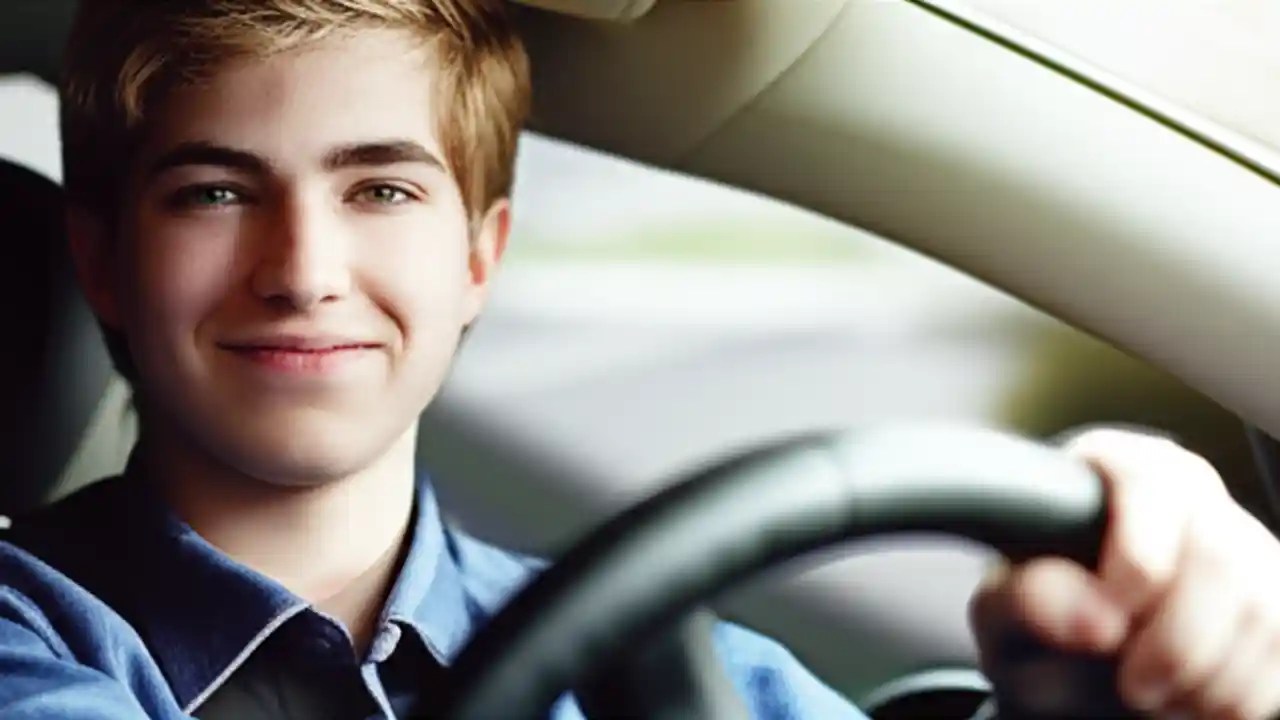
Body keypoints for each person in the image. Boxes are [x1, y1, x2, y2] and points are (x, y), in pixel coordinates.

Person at [0, 1, 1277, 718]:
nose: (302, 269)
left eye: (382, 192)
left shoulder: (688, 667)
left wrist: (1144, 583)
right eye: (216, 194)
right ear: (103, 259)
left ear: (479, 260)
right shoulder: (30, 647)